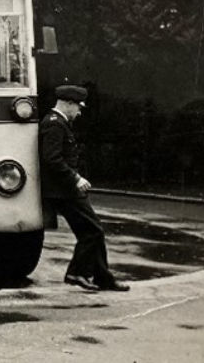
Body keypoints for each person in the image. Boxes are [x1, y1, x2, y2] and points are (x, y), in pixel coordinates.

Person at [39, 84, 129, 292]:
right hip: (63, 190)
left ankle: (101, 278)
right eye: (78, 107)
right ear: (68, 104)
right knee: (93, 230)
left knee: (91, 231)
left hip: (64, 189)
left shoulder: (57, 122)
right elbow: (51, 159)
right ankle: (77, 273)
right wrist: (75, 179)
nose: (79, 112)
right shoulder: (54, 124)